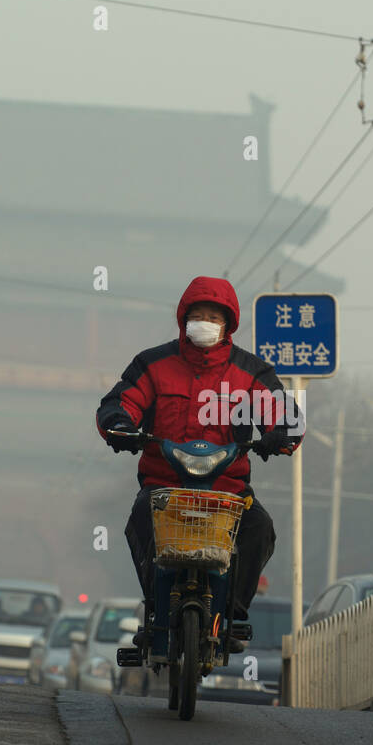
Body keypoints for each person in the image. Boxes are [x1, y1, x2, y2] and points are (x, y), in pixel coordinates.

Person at [95, 276, 300, 652]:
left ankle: (233, 615)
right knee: (139, 520)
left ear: (228, 324)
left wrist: (281, 434)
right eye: (198, 314)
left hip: (228, 489)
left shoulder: (251, 373)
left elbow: (281, 410)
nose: (204, 322)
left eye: (213, 316)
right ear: (183, 319)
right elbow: (119, 402)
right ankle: (155, 608)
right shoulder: (152, 365)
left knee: (261, 528)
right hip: (163, 487)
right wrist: (120, 425)